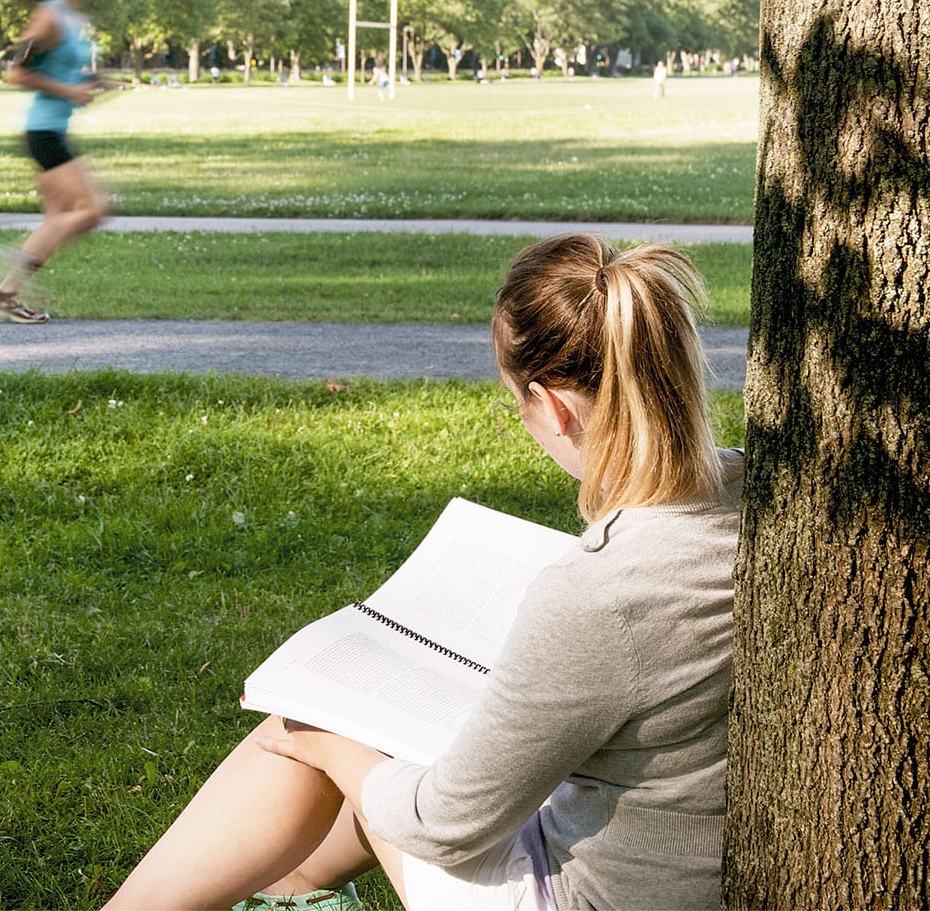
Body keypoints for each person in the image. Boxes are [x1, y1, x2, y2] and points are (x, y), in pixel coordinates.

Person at [103, 233, 744, 911]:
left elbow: (448, 830)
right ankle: (287, 892)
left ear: (552, 406)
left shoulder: (601, 591)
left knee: (300, 734)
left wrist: (324, 737)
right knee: (383, 762)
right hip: (685, 867)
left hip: (591, 898)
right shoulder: (760, 494)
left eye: (516, 404)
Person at [0, 0, 111, 324]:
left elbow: (61, 68)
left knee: (57, 220)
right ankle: (14, 260)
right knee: (94, 210)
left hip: (52, 128)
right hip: (44, 131)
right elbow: (17, 70)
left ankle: (5, 296)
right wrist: (70, 91)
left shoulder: (71, 18)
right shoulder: (49, 17)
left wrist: (92, 80)